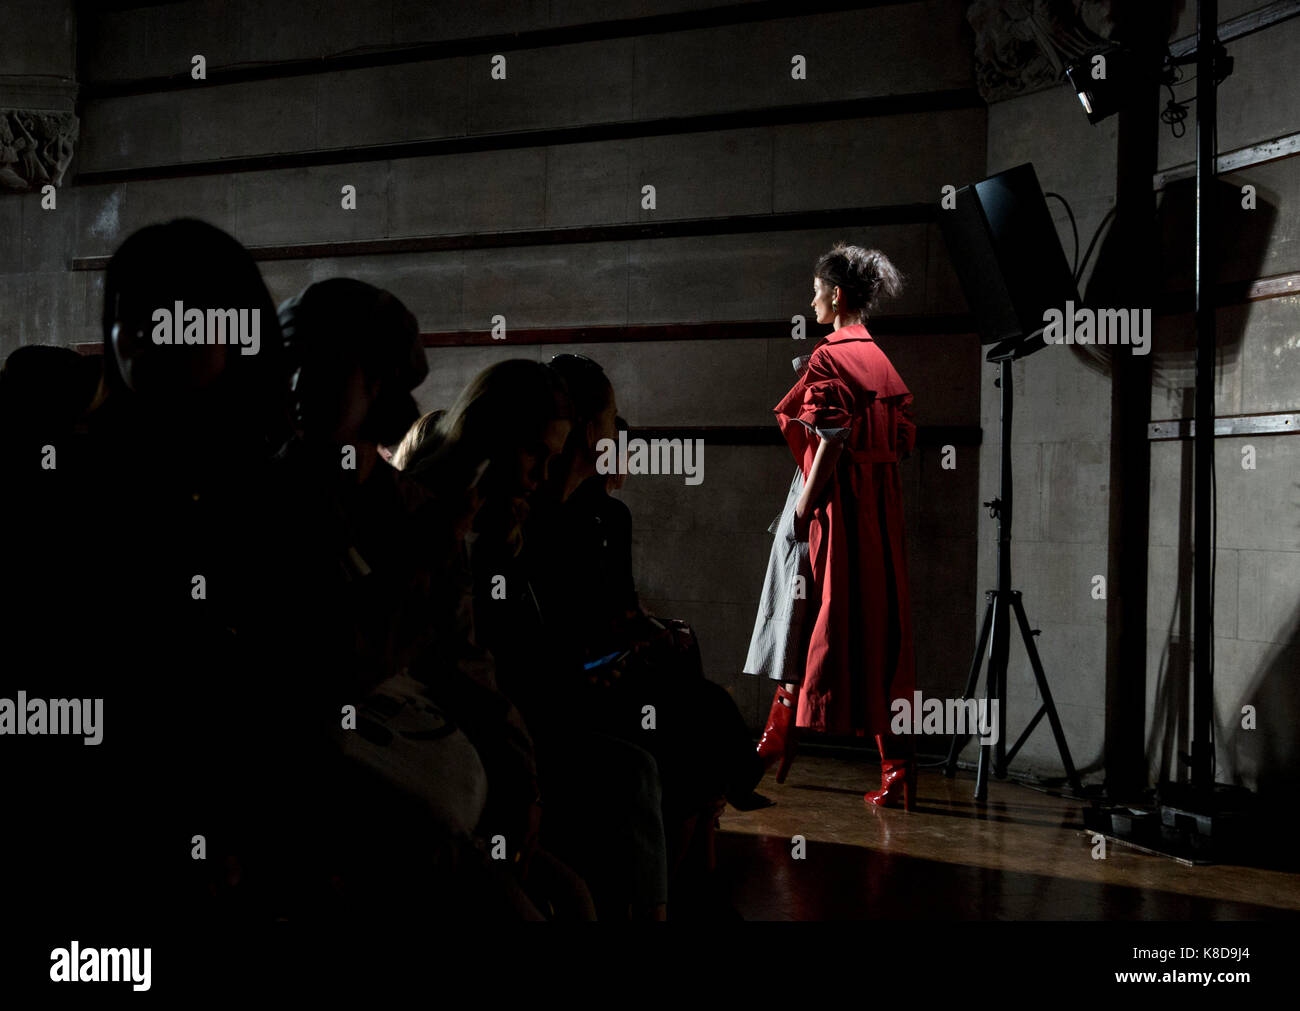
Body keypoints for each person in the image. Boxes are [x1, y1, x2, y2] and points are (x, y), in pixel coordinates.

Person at [745, 242, 920, 811]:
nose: (811, 300)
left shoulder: (830, 357)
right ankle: (896, 767)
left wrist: (803, 509)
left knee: (806, 613)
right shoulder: (879, 359)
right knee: (875, 627)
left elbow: (832, 438)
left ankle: (774, 740)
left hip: (834, 507)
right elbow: (901, 440)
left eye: (816, 290)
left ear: (836, 294)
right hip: (878, 512)